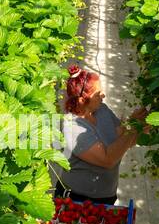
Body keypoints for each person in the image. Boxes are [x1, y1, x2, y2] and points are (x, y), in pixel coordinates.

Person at [51, 64, 148, 204]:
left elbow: (122, 139)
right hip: (76, 200)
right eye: (97, 93)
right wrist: (133, 128)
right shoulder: (72, 127)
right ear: (81, 100)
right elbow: (107, 160)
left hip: (106, 196)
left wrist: (143, 126)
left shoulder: (101, 110)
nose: (103, 95)